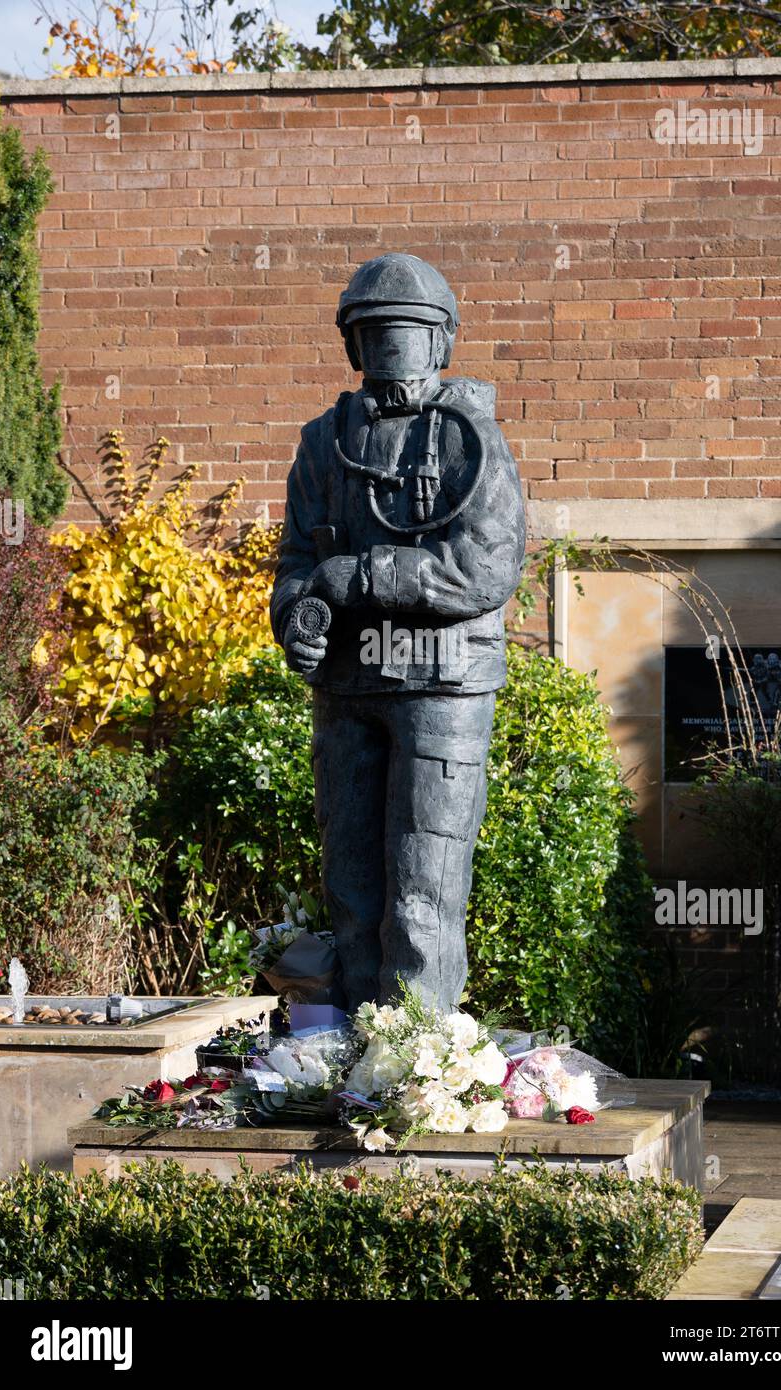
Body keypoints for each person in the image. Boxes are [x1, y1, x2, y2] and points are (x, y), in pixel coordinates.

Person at [271, 254, 526, 1012]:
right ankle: (354, 1062)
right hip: (348, 688)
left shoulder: (469, 440)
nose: (387, 349)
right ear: (353, 344)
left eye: (403, 333)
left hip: (441, 687)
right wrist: (298, 617)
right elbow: (294, 560)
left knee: (424, 895)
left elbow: (484, 567)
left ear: (439, 340)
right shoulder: (325, 441)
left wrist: (364, 578)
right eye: (373, 333)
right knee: (351, 893)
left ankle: (413, 1071)